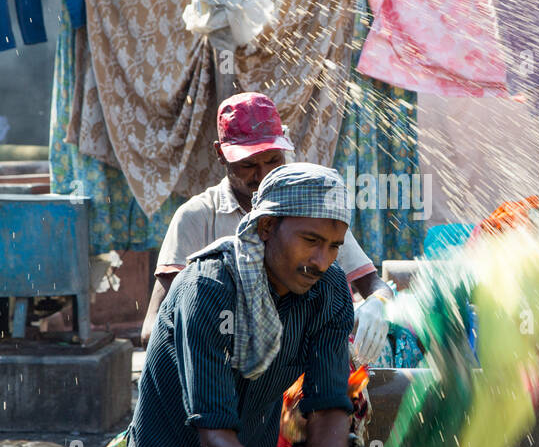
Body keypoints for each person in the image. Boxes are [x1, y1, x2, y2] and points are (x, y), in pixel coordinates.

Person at [127, 163, 355, 447]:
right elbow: (214, 439)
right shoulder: (210, 289)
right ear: (266, 227)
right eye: (310, 240)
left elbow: (328, 407)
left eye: (334, 246)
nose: (321, 261)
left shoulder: (329, 293)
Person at [142, 92, 392, 363]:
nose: (262, 176)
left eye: (273, 160)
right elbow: (153, 327)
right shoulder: (196, 217)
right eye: (248, 165)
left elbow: (375, 285)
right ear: (220, 155)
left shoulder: (310, 210)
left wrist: (376, 305)